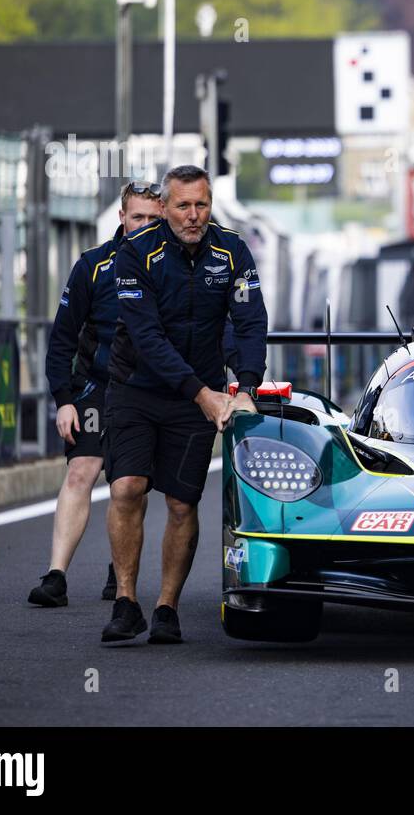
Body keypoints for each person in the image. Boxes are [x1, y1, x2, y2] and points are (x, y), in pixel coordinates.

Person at [100, 165, 268, 644]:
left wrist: (245, 390)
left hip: (203, 393)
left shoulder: (232, 250)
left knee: (180, 502)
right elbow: (148, 338)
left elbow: (251, 320)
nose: (193, 216)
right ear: (166, 208)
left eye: (201, 205)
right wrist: (204, 395)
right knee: (128, 487)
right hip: (138, 387)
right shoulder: (136, 253)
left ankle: (166, 608)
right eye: (183, 206)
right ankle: (126, 601)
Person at [28, 182, 163, 607]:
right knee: (81, 470)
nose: (144, 225)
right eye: (137, 217)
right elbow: (62, 340)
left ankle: (117, 567)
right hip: (97, 386)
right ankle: (55, 576)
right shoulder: (92, 265)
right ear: (121, 217)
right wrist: (63, 399)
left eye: (153, 219)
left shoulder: (174, 266)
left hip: (146, 388)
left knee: (130, 484)